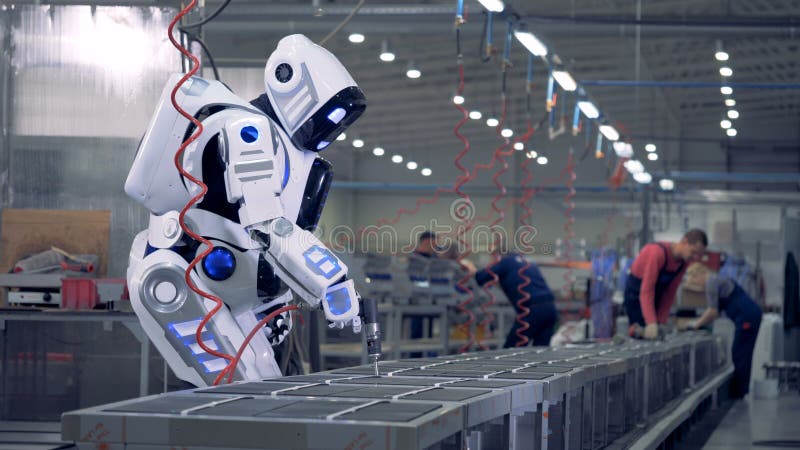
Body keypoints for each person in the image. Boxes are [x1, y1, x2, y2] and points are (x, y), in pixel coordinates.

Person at [683, 262, 762, 398]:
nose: (699, 287)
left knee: (740, 351)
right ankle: (741, 389)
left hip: (747, 316)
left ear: (699, 274)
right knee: (742, 351)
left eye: (695, 282)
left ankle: (739, 391)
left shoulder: (711, 282)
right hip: (749, 314)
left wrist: (695, 324)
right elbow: (717, 312)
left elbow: (712, 312)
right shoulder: (717, 279)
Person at [464, 237, 558, 347]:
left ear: (497, 255)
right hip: (550, 309)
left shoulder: (505, 262)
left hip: (531, 310)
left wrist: (469, 267)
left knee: (511, 351)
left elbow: (480, 278)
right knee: (541, 350)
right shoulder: (526, 261)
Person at [624, 229, 708, 339]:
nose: (695, 258)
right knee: (642, 335)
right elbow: (646, 291)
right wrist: (651, 322)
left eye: (699, 255)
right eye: (693, 252)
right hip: (636, 296)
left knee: (657, 336)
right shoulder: (657, 253)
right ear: (684, 241)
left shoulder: (683, 263)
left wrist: (661, 321)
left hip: (655, 296)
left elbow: (669, 293)